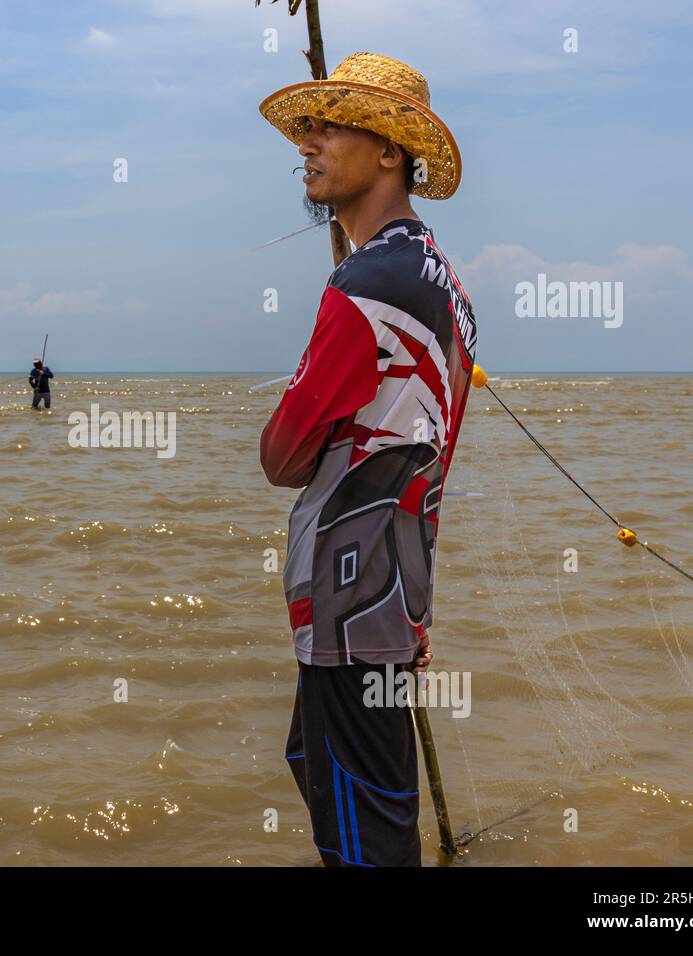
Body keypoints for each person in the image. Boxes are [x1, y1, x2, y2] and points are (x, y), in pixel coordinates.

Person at [257, 52, 478, 866]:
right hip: (393, 592)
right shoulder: (447, 286)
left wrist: (292, 409)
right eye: (304, 130)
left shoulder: (367, 283)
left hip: (350, 603)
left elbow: (283, 455)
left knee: (364, 838)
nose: (307, 145)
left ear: (391, 151)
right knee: (324, 769)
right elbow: (433, 452)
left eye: (328, 127)